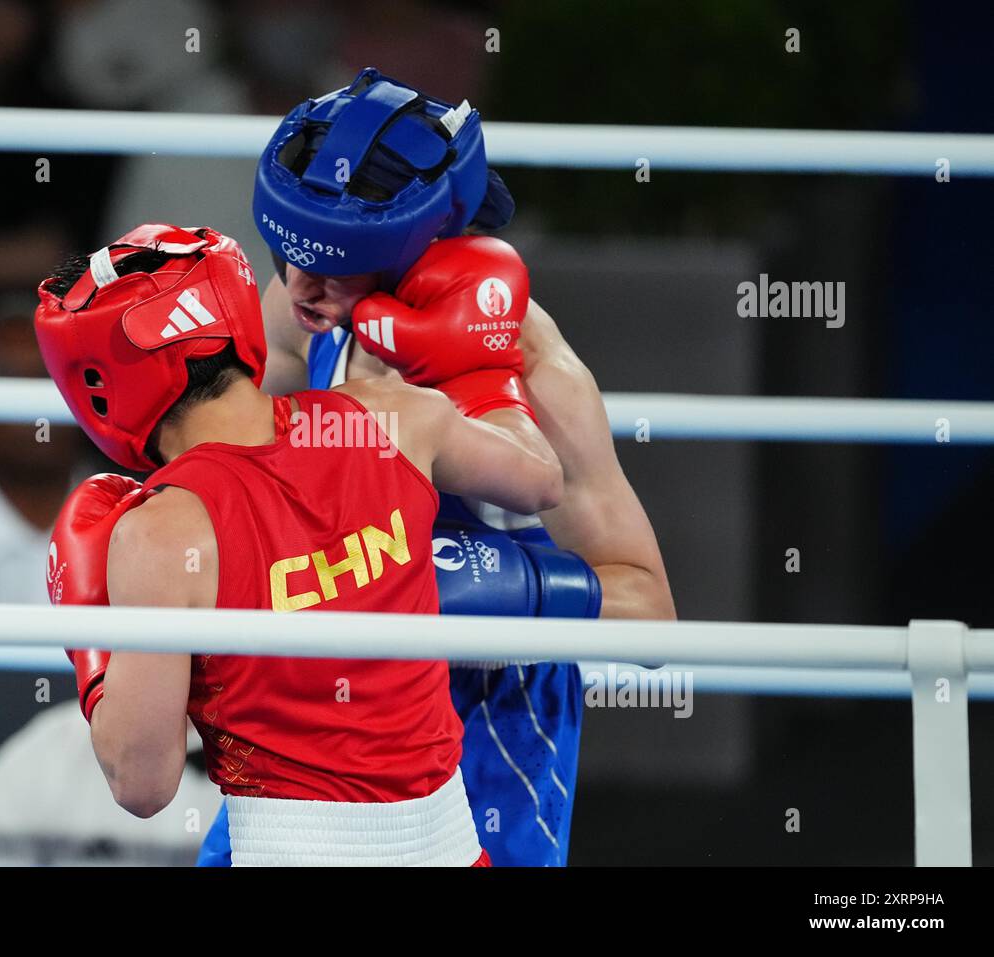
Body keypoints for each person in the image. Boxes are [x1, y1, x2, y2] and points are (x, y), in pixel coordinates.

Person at [198, 68, 676, 866]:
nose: (303, 284)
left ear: (426, 244)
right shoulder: (303, 310)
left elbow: (652, 611)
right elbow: (218, 461)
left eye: (342, 258)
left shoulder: (541, 377)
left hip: (486, 717)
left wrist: (478, 586)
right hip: (323, 701)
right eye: (290, 248)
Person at [35, 223, 564, 865]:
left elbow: (142, 784)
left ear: (94, 386)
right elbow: (541, 479)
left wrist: (92, 650)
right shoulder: (390, 417)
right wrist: (480, 364)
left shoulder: (160, 535)